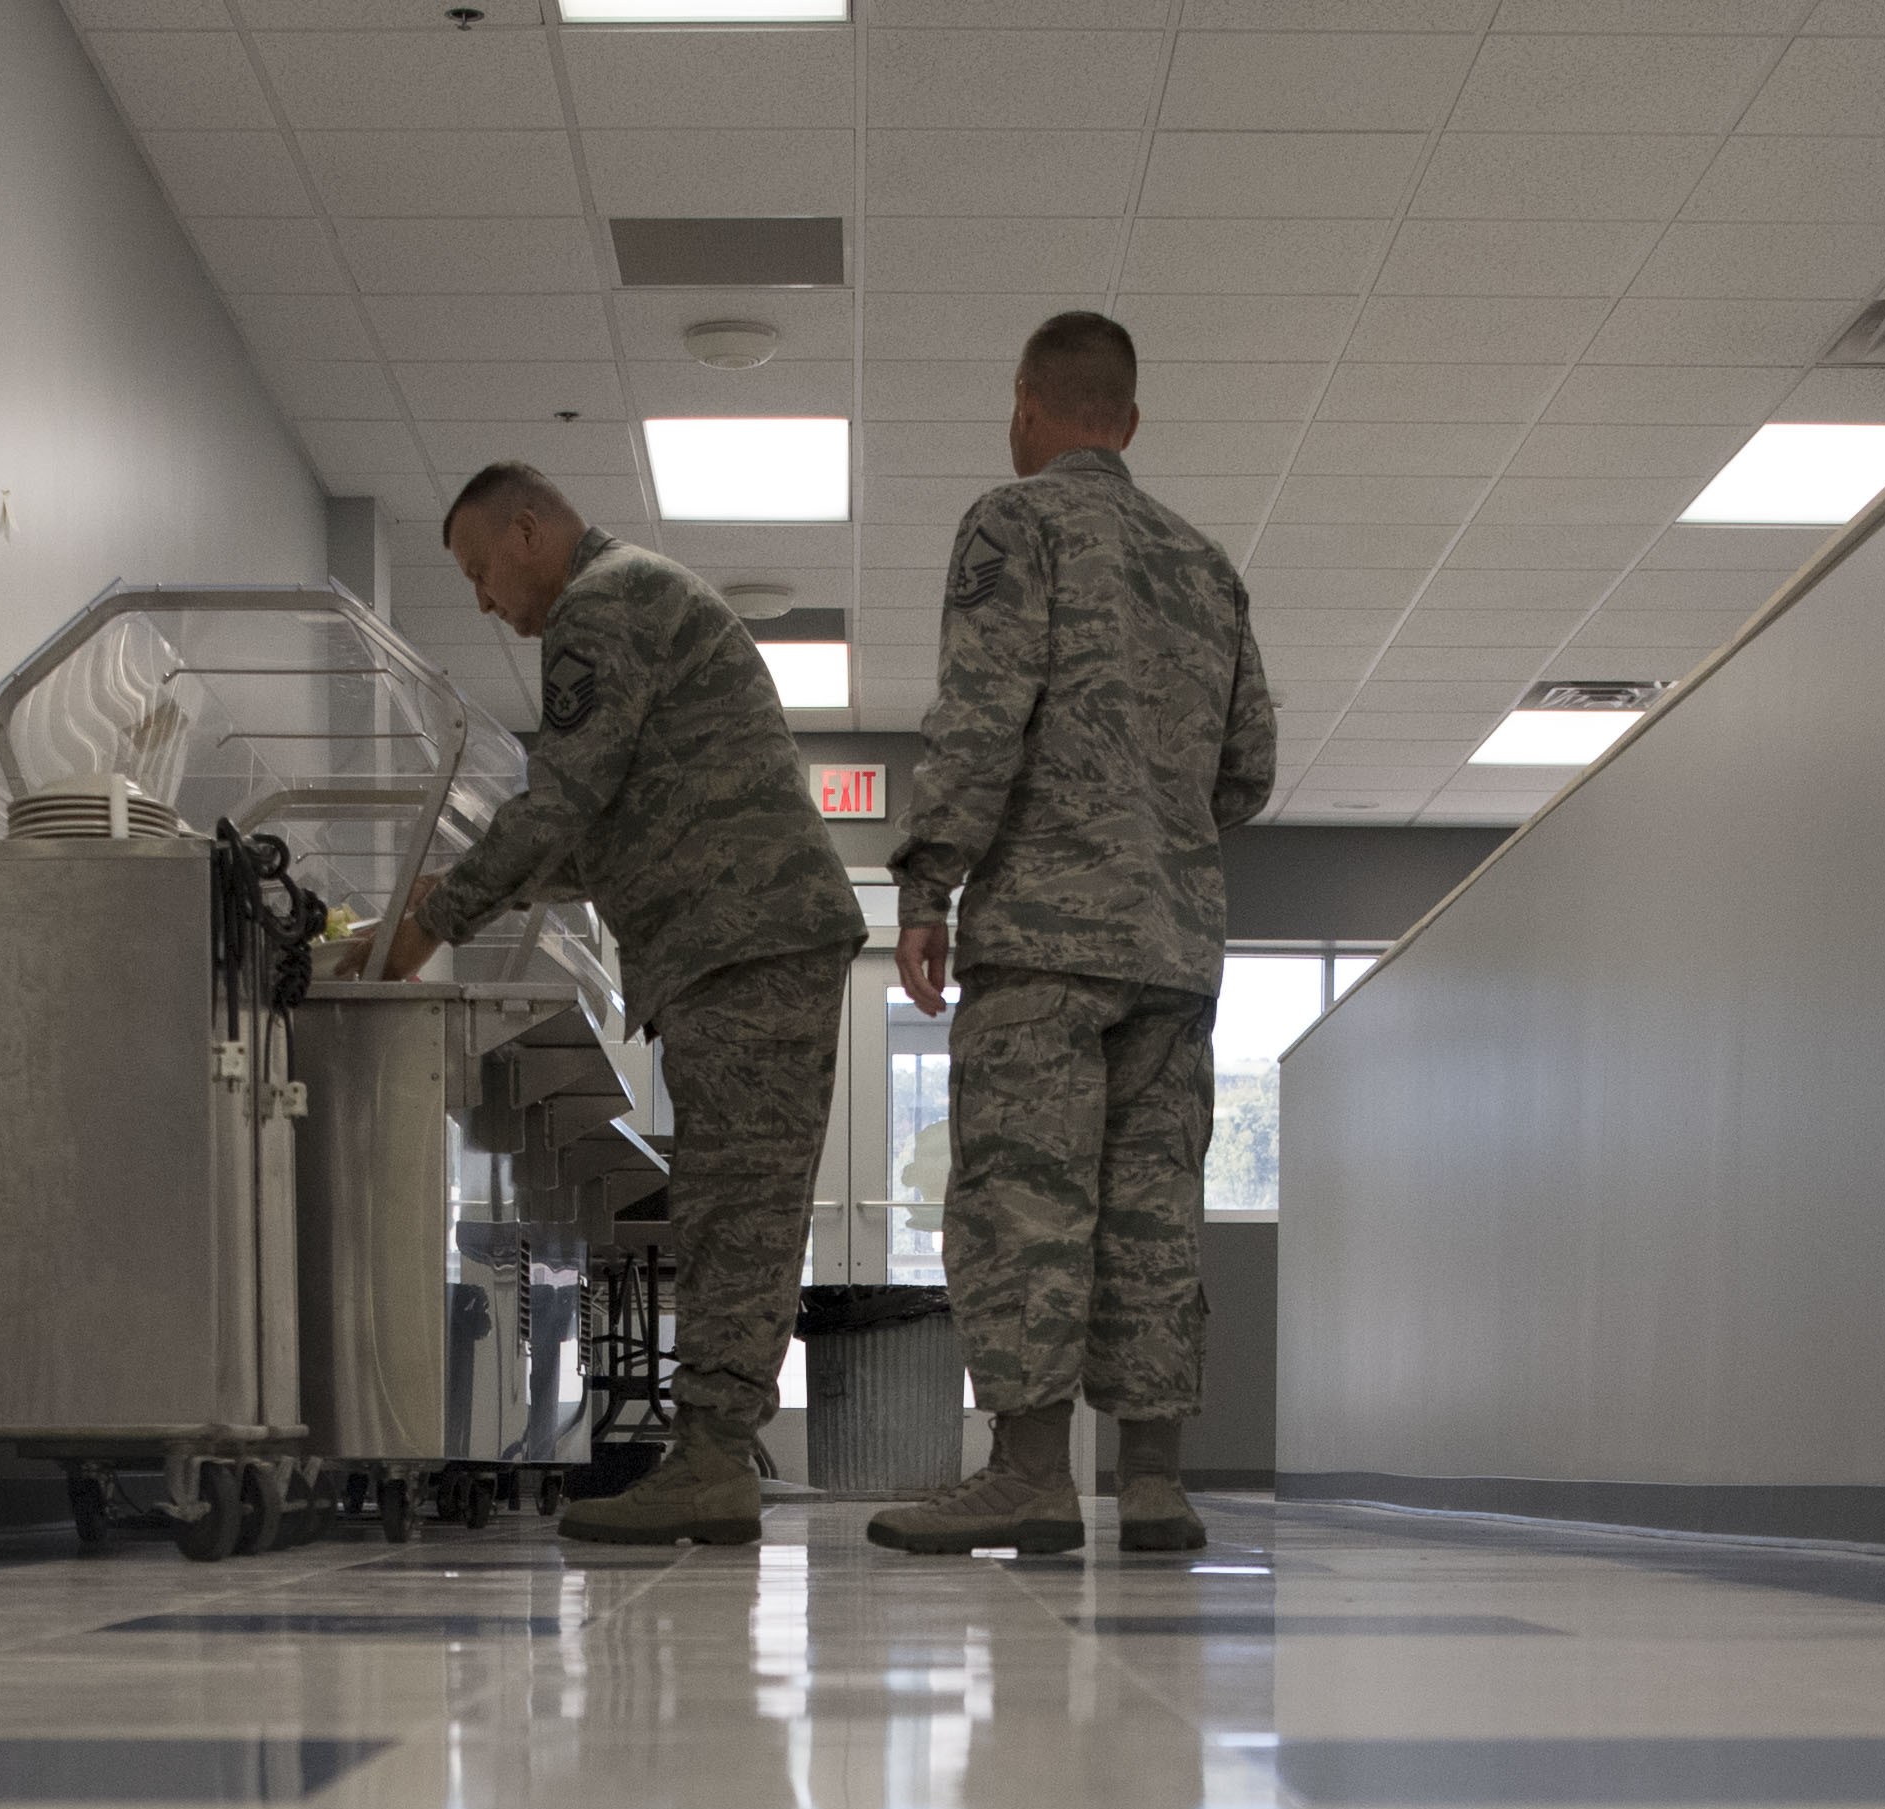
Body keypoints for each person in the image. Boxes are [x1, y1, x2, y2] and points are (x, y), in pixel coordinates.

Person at [387, 462, 866, 1549]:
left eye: (478, 571)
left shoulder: (597, 607)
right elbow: (606, 822)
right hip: (742, 938)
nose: (481, 601)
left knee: (733, 1207)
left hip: (743, 941)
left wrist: (427, 927)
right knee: (734, 1199)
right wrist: (466, 886)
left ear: (526, 529)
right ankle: (714, 1450)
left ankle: (708, 1461)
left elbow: (561, 798)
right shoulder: (635, 597)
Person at [872, 311, 1278, 1558]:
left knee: (1026, 1205)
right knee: (1153, 1210)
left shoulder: (1017, 521)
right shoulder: (1206, 563)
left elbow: (983, 715)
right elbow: (1249, 769)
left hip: (1046, 944)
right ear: (1133, 421)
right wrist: (1156, 837)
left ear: (1025, 405)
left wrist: (930, 883)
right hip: (1173, 954)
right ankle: (1154, 1486)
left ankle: (1032, 1477)